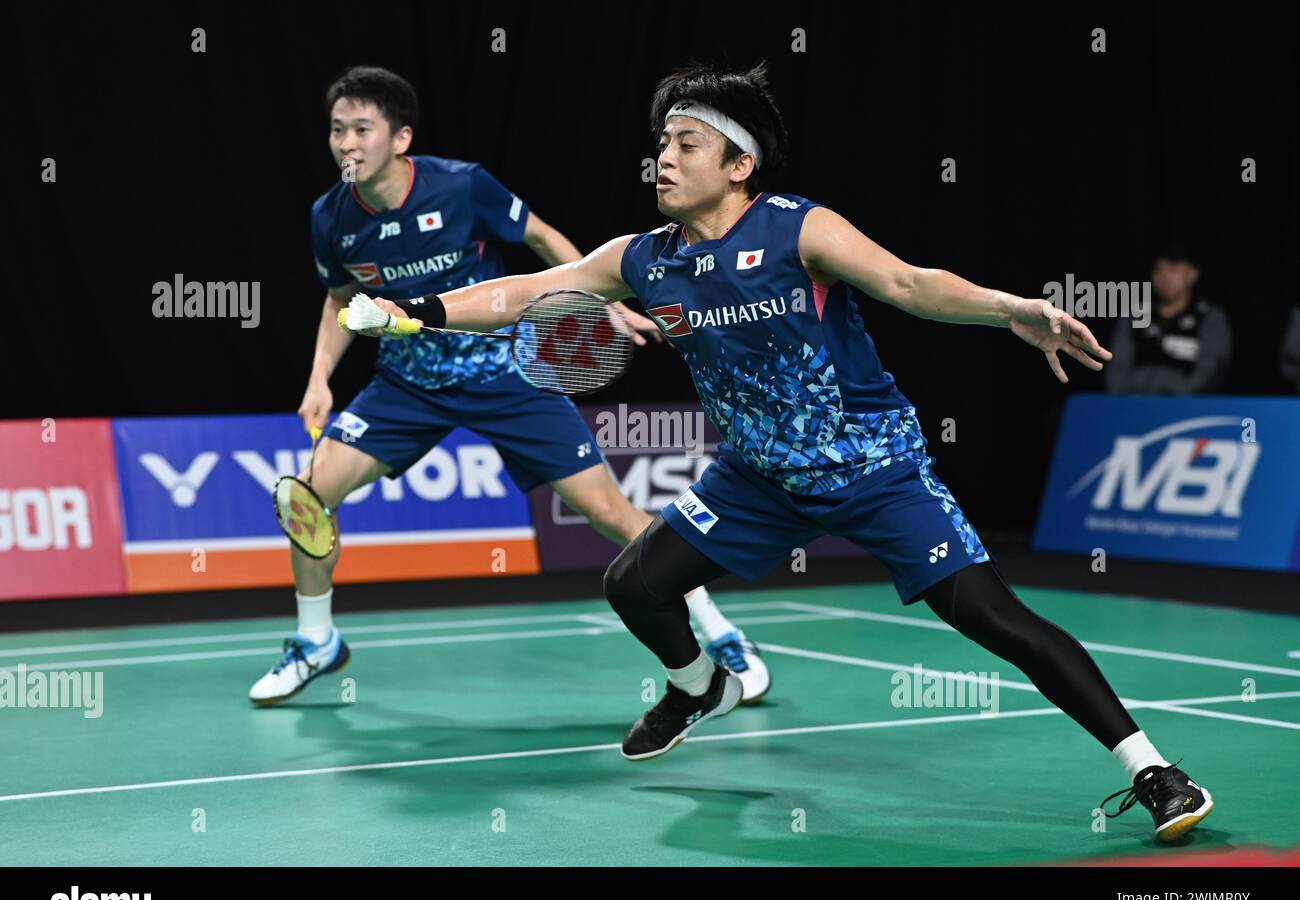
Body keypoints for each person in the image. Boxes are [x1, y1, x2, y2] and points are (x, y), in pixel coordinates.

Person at [370, 63, 1215, 842]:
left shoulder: (797, 230)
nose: (661, 159)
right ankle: (702, 685)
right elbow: (525, 291)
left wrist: (1009, 309)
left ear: (738, 164)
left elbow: (913, 285)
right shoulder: (646, 259)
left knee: (997, 621)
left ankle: (1155, 772)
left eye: (684, 143)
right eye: (660, 144)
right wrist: (419, 310)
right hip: (759, 481)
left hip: (875, 471)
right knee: (634, 583)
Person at [249, 66, 769, 706]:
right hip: (407, 385)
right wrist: (319, 380)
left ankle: (717, 633)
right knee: (309, 497)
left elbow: (548, 241)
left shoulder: (463, 186)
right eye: (337, 130)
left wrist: (601, 301)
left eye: (362, 129)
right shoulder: (330, 217)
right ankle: (315, 640)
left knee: (611, 514)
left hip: (505, 374)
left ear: (401, 137)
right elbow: (339, 300)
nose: (346, 144)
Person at [1106, 245, 1232, 394]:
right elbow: (1117, 367)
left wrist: (1177, 398)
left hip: (1185, 407)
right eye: (1158, 269)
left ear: (1192, 274)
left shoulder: (1208, 316)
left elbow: (1211, 369)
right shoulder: (1135, 315)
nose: (1164, 276)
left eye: (1173, 268)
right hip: (1132, 403)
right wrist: (1122, 400)